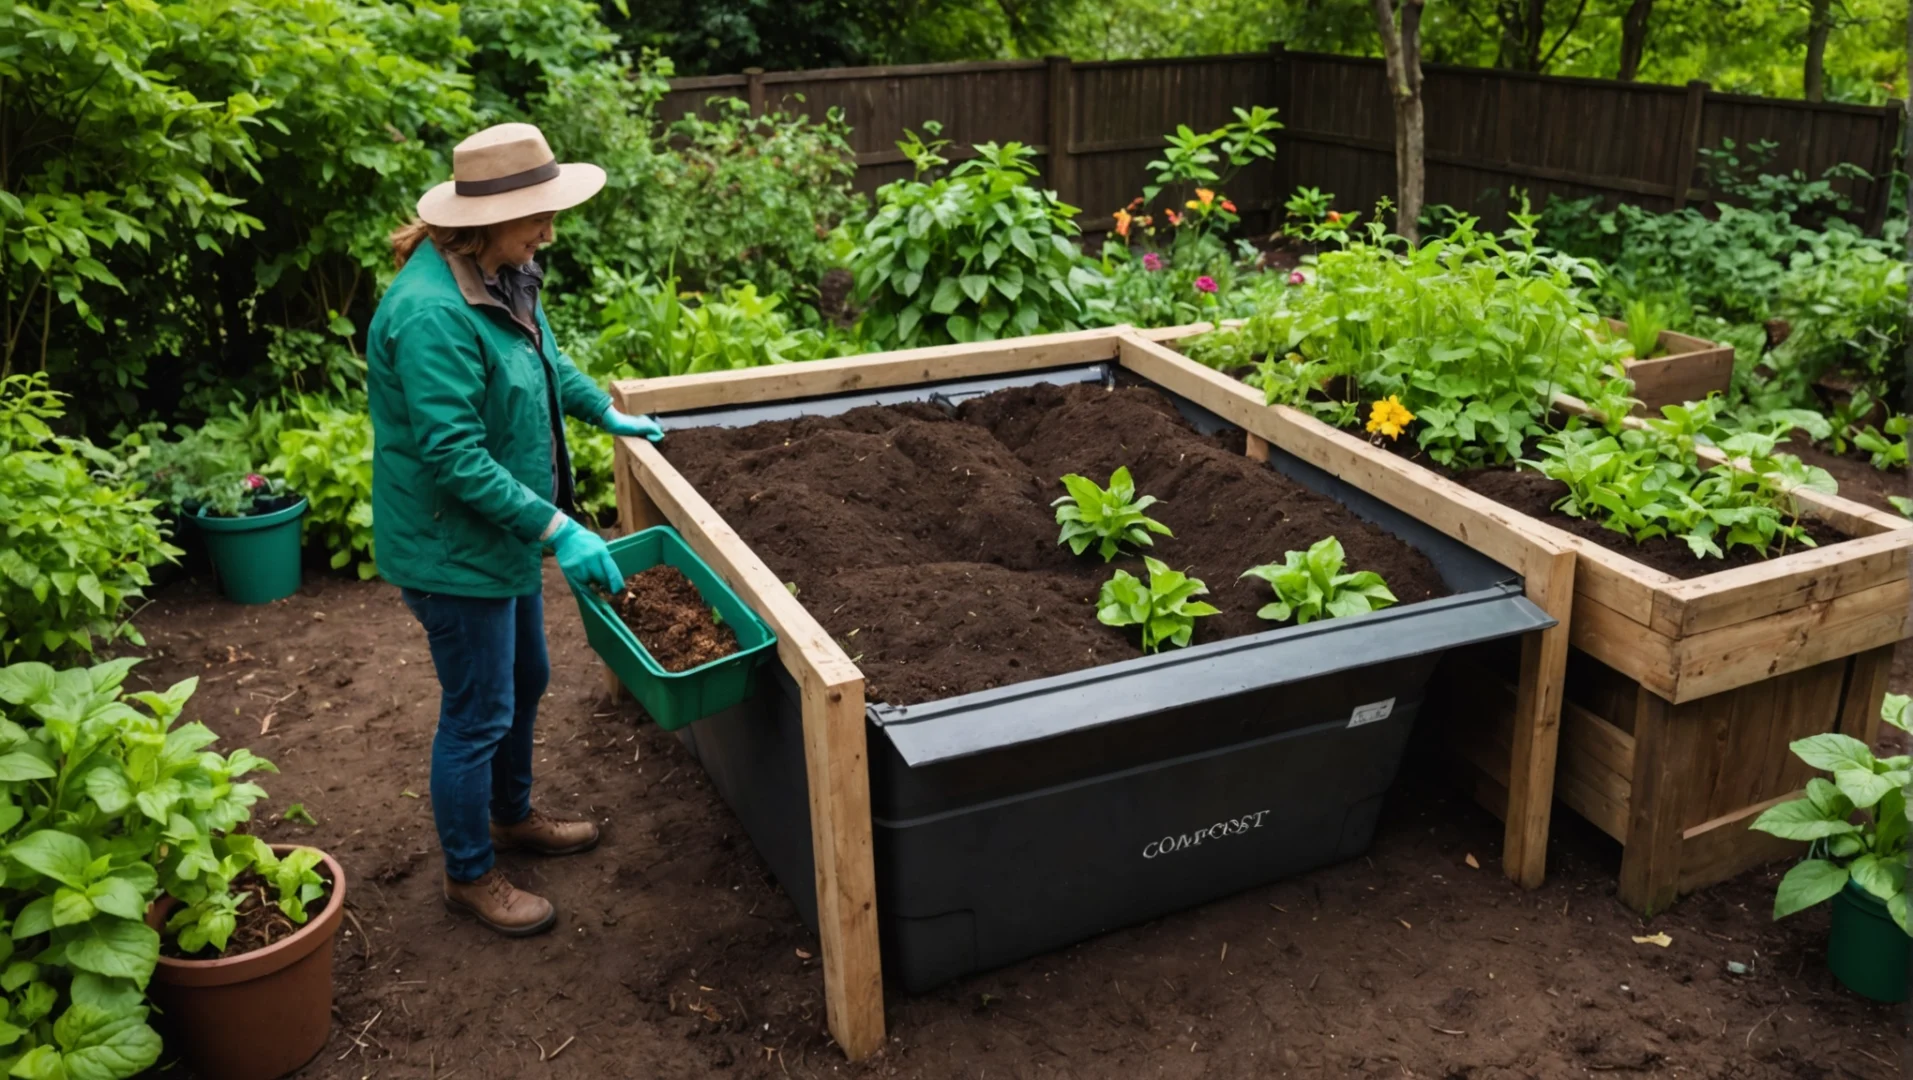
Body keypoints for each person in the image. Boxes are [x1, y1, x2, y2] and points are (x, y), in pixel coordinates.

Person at [366, 123, 662, 937]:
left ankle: (511, 814)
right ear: (483, 220)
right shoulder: (431, 314)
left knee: (525, 681)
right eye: (537, 216)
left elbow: (543, 361)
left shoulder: (504, 275)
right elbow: (453, 457)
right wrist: (559, 527)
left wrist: (603, 410)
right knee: (476, 711)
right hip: (449, 547)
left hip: (499, 535)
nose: (549, 231)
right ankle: (469, 875)